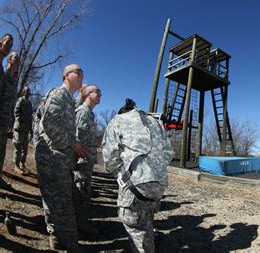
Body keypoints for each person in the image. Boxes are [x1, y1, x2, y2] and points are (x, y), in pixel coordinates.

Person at [101, 98, 174, 252]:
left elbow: (109, 157)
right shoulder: (156, 123)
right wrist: (154, 170)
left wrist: (121, 176)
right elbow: (168, 153)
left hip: (135, 185)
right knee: (145, 220)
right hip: (158, 185)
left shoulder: (118, 121)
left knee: (135, 228)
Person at [35, 64, 88, 251]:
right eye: (78, 72)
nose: (81, 75)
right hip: (51, 157)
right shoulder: (59, 94)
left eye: (82, 73)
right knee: (63, 201)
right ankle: (71, 244)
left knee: (53, 199)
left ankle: (55, 236)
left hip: (59, 157)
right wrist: (72, 143)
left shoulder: (69, 99)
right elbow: (49, 123)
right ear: (66, 75)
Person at [72, 84, 101, 234]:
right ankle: (78, 223)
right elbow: (77, 137)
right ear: (89, 94)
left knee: (83, 191)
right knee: (81, 191)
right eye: (97, 92)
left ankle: (80, 220)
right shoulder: (83, 112)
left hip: (86, 159)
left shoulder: (89, 113)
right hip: (81, 160)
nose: (100, 94)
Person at [0, 37, 18, 189]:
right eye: (15, 59)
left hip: (4, 120)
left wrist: (10, 121)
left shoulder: (13, 78)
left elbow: (11, 102)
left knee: (1, 152)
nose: (17, 62)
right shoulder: (4, 73)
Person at [12, 86, 33, 175]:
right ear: (24, 92)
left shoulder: (29, 103)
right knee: (18, 147)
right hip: (20, 128)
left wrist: (30, 128)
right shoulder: (20, 100)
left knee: (25, 148)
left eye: (29, 91)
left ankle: (22, 164)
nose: (28, 92)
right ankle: (16, 165)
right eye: (27, 91)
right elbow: (16, 112)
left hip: (26, 129)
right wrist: (21, 120)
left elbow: (30, 117)